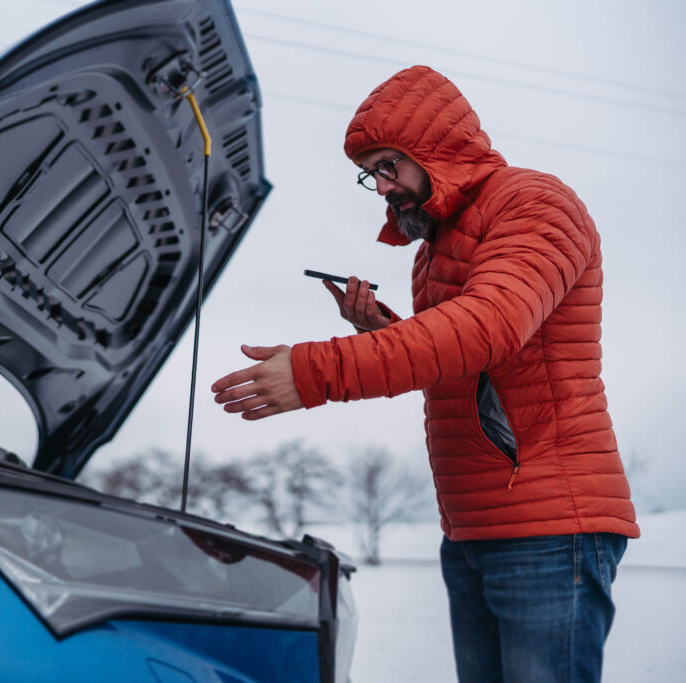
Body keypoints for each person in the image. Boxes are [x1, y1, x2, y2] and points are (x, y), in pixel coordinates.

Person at [211, 65, 638, 683]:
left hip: (549, 526)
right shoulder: (434, 252)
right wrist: (380, 330)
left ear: (438, 150)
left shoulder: (535, 204)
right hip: (471, 524)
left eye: (390, 164)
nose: (382, 185)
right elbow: (463, 366)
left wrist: (317, 371)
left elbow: (487, 328)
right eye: (371, 172)